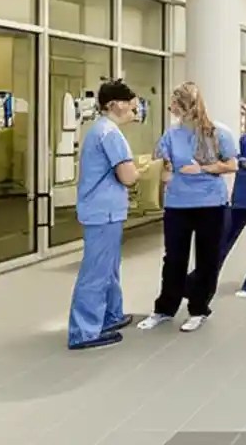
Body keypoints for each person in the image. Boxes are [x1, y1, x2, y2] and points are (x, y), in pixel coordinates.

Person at [138, 82, 239, 333]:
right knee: (173, 258)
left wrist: (202, 169)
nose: (170, 107)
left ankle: (198, 309)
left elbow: (232, 164)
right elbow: (161, 160)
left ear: (185, 105)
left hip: (211, 204)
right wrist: (163, 168)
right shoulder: (171, 134)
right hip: (178, 204)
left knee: (207, 259)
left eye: (174, 102)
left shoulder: (218, 133)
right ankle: (164, 308)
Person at [67, 79, 140, 350]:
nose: (133, 107)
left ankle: (110, 316)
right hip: (102, 212)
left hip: (105, 210)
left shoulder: (100, 130)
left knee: (109, 268)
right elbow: (128, 176)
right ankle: (83, 331)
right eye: (129, 103)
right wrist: (144, 169)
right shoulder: (109, 134)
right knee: (96, 272)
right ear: (114, 105)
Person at [189, 98, 246, 298]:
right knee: (223, 237)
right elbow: (232, 160)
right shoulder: (243, 141)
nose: (244, 121)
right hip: (242, 196)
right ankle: (201, 278)